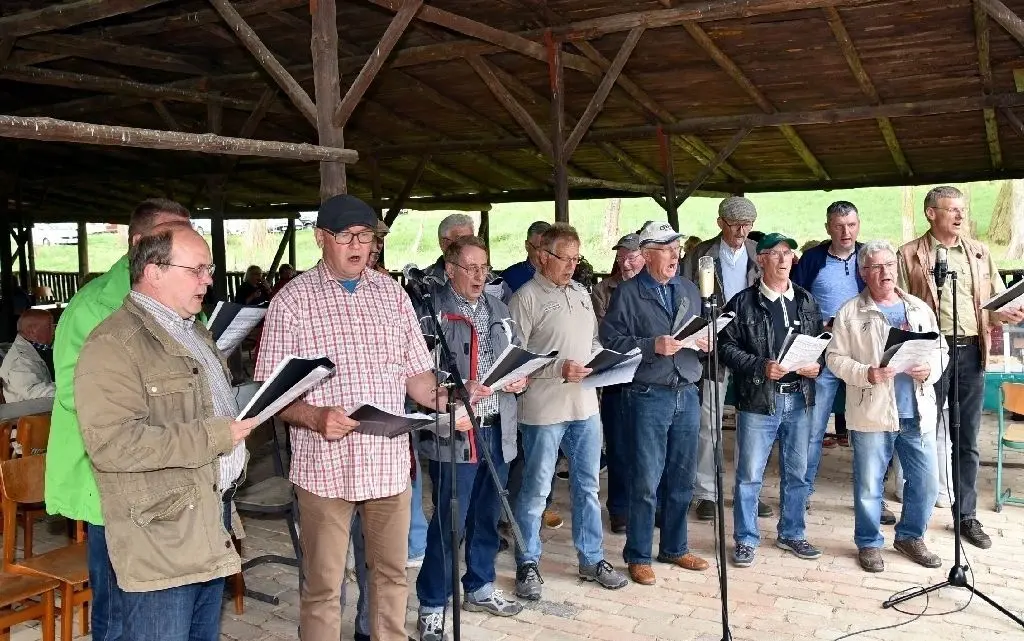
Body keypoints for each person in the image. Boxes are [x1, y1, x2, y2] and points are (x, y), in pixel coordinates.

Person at [255, 194, 459, 641]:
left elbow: (418, 379)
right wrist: (314, 416)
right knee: (324, 585)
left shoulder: (391, 295)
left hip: (387, 467)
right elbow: (271, 396)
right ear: (320, 238)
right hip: (325, 469)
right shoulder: (293, 301)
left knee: (390, 576)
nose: (357, 246)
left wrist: (449, 401)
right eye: (345, 236)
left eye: (365, 237)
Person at [74, 223, 258, 640]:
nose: (209, 279)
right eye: (197, 270)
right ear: (154, 271)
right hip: (161, 537)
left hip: (209, 519)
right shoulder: (114, 344)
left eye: (209, 269)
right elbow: (113, 445)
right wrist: (215, 437)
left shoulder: (193, 330)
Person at [45, 198, 191, 641]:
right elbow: (75, 393)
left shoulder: (184, 299)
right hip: (111, 480)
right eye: (169, 239)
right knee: (115, 612)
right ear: (137, 245)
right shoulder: (92, 308)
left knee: (165, 603)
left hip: (168, 472)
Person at [897, 185, 1024, 549]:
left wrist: (1006, 314)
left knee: (967, 440)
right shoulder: (909, 255)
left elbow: (996, 300)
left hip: (971, 351)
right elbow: (899, 309)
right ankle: (913, 523)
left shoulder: (980, 253)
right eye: (951, 209)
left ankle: (965, 515)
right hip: (929, 354)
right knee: (919, 435)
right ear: (931, 213)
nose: (960, 215)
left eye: (962, 209)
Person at [414, 235, 527, 641]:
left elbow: (514, 354)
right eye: (471, 267)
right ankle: (431, 604)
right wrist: (458, 388)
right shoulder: (432, 313)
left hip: (497, 426)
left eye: (484, 267)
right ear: (450, 269)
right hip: (457, 429)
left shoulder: (499, 308)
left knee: (486, 517)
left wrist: (517, 378)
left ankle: (479, 585)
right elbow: (418, 373)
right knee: (450, 521)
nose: (480, 275)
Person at [509, 222, 628, 600]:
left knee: (588, 487)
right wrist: (556, 368)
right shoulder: (525, 298)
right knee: (536, 492)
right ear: (544, 256)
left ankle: (592, 559)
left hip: (584, 406)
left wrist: (604, 361)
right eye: (566, 258)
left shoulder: (580, 293)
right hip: (543, 411)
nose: (573, 266)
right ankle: (527, 563)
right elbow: (516, 360)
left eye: (577, 258)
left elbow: (591, 341)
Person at [601, 221, 711, 585]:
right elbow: (612, 340)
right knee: (646, 480)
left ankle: (675, 547)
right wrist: (652, 346)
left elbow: (697, 327)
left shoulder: (689, 288)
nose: (675, 255)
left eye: (677, 248)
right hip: (648, 395)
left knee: (681, 478)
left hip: (687, 390)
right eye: (666, 249)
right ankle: (637, 554)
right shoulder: (628, 293)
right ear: (646, 254)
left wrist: (706, 341)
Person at [826, 239, 945, 573]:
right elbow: (834, 359)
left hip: (917, 410)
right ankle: (868, 542)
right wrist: (867, 373)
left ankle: (909, 536)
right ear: (864, 272)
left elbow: (941, 350)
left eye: (889, 265)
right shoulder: (850, 311)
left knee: (925, 482)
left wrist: (930, 370)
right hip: (873, 410)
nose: (884, 273)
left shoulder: (919, 308)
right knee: (868, 484)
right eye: (876, 267)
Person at [719, 232, 824, 568]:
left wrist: (817, 366)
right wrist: (761, 366)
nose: (783, 259)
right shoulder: (741, 302)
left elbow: (821, 341)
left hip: (800, 399)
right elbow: (725, 348)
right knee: (749, 475)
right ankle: (746, 539)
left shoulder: (806, 300)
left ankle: (792, 533)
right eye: (775, 253)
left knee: (798, 472)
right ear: (760, 260)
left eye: (788, 252)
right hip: (760, 401)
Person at [682, 196, 766, 522]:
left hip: (752, 346)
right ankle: (706, 492)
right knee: (709, 420)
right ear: (720, 223)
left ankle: (748, 492)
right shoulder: (700, 255)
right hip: (712, 345)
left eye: (747, 225)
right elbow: (688, 298)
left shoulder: (761, 253)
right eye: (735, 224)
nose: (741, 231)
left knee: (753, 422)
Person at [792, 201, 864, 508]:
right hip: (823, 351)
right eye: (839, 226)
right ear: (828, 228)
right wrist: (818, 323)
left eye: (851, 225)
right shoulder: (812, 259)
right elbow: (794, 299)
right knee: (813, 426)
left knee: (868, 428)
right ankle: (801, 491)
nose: (846, 232)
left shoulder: (869, 256)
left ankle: (870, 497)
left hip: (863, 351)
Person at [591, 233, 645, 533]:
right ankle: (620, 508)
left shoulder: (656, 288)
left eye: (631, 256)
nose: (624, 262)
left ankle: (649, 505)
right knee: (619, 446)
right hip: (616, 377)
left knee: (649, 446)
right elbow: (604, 333)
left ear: (645, 257)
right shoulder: (602, 290)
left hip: (649, 376)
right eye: (621, 255)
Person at [0, 309, 56, 402]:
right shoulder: (19, 360)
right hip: (27, 412)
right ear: (32, 332)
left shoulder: (40, 346)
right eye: (49, 326)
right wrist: (68, 389)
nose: (54, 329)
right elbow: (32, 392)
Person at [502, 220, 551, 293]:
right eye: (539, 249)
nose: (544, 255)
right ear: (527, 246)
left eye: (549, 249)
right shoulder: (509, 278)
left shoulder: (561, 275)